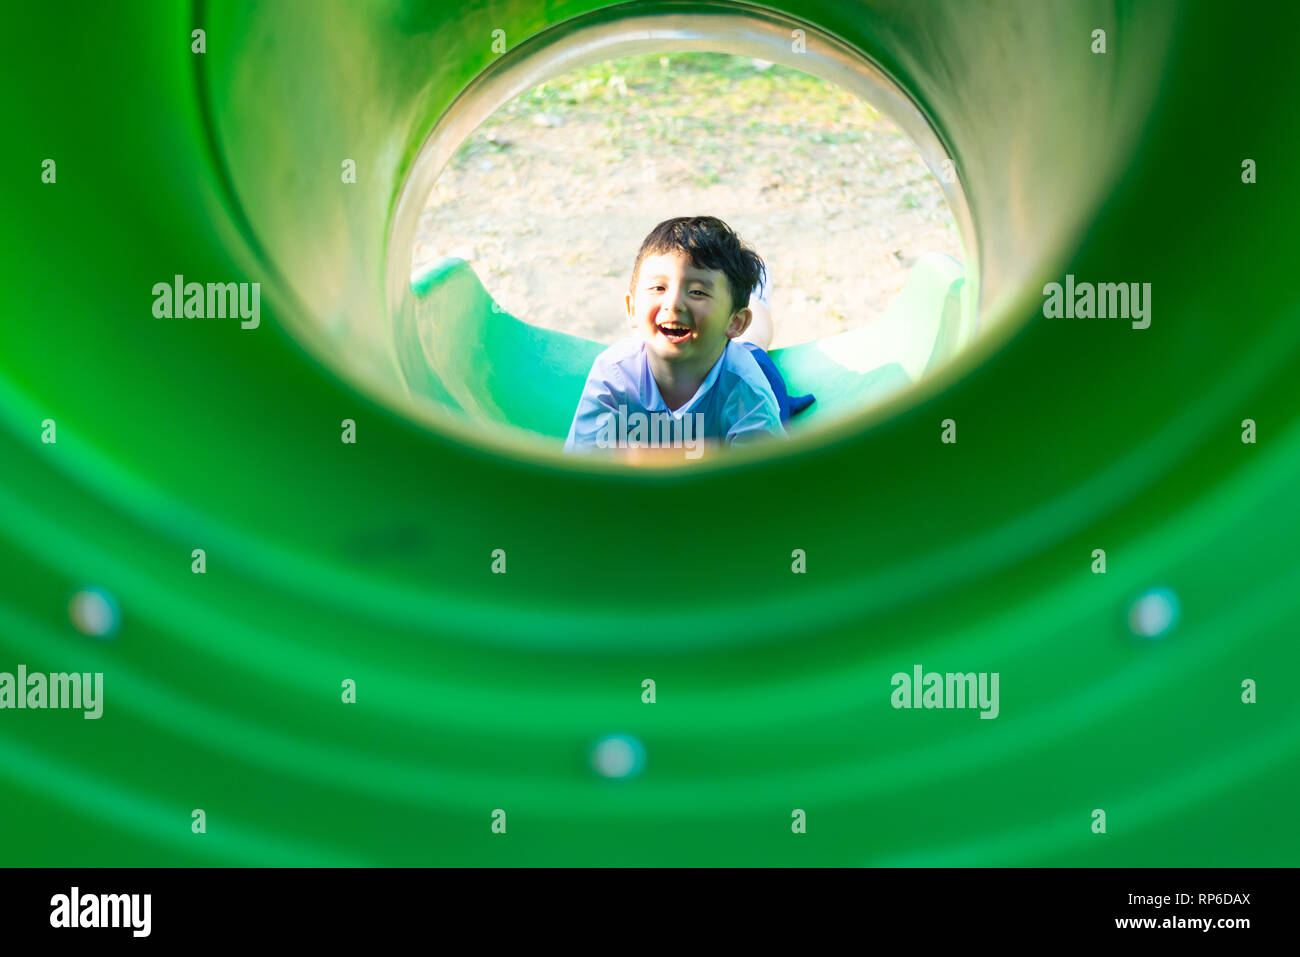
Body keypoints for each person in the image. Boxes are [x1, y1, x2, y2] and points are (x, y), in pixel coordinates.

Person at [563, 216, 813, 460]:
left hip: (738, 362)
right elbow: (581, 466)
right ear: (631, 309)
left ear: (735, 322)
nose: (673, 303)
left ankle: (756, 295)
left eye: (697, 292)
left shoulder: (747, 386)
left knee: (753, 343)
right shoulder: (614, 374)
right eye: (659, 288)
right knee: (669, 329)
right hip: (682, 351)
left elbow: (758, 482)